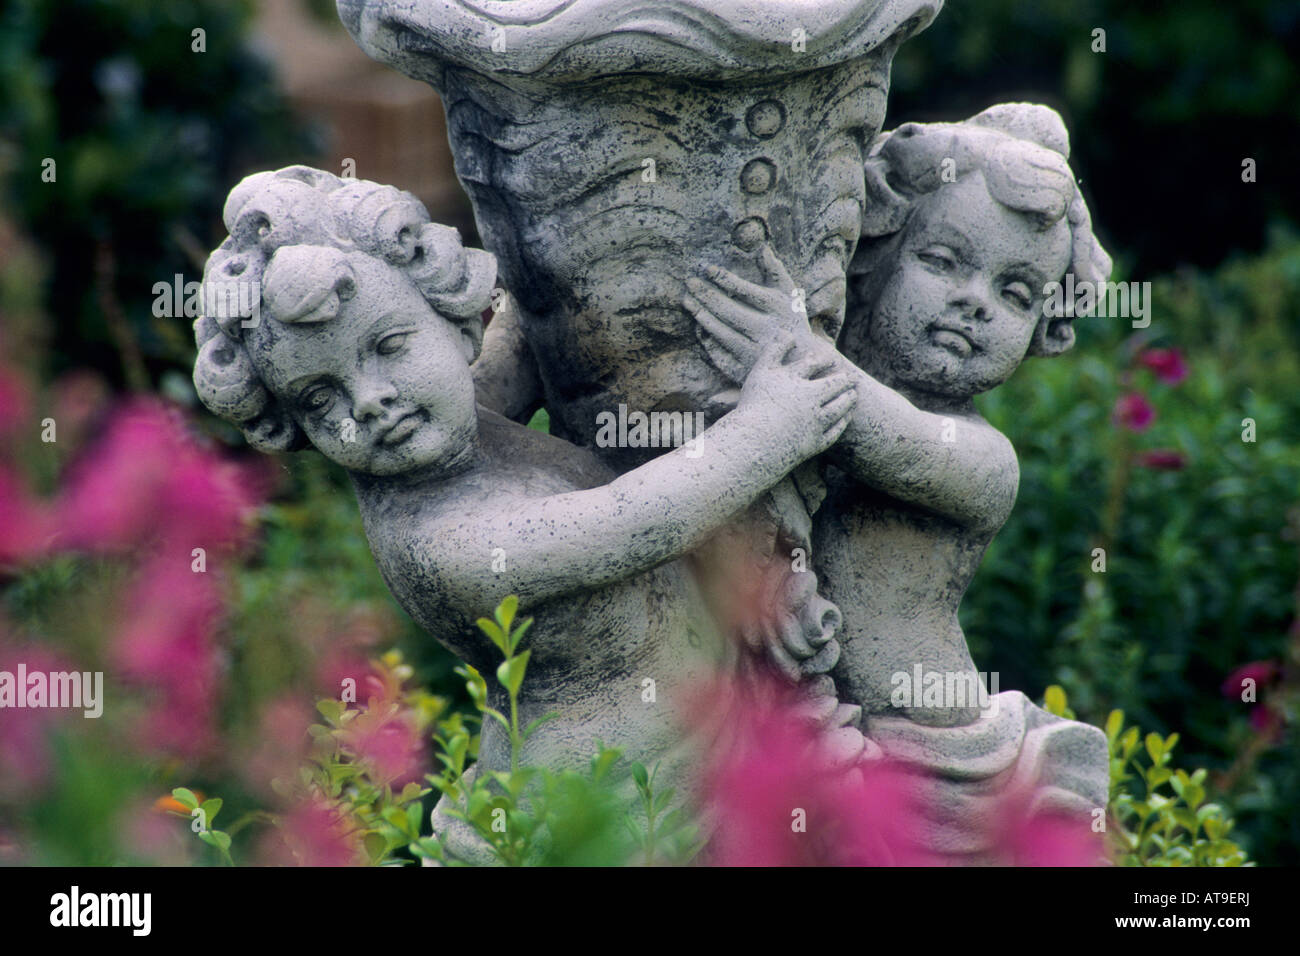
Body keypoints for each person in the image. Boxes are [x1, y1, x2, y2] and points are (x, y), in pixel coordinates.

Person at [192, 165, 858, 856]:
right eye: (320, 401)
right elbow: (641, 519)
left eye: (388, 347)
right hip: (603, 814)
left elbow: (524, 334)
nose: (370, 401)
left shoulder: (458, 419)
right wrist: (770, 429)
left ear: (451, 321)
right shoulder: (448, 543)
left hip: (700, 746)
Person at [682, 104, 1113, 858]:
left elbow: (880, 432)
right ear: (878, 256)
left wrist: (790, 352)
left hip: (937, 762)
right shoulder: (825, 385)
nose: (975, 302)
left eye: (1015, 294)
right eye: (944, 262)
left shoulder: (982, 461)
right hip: (807, 736)